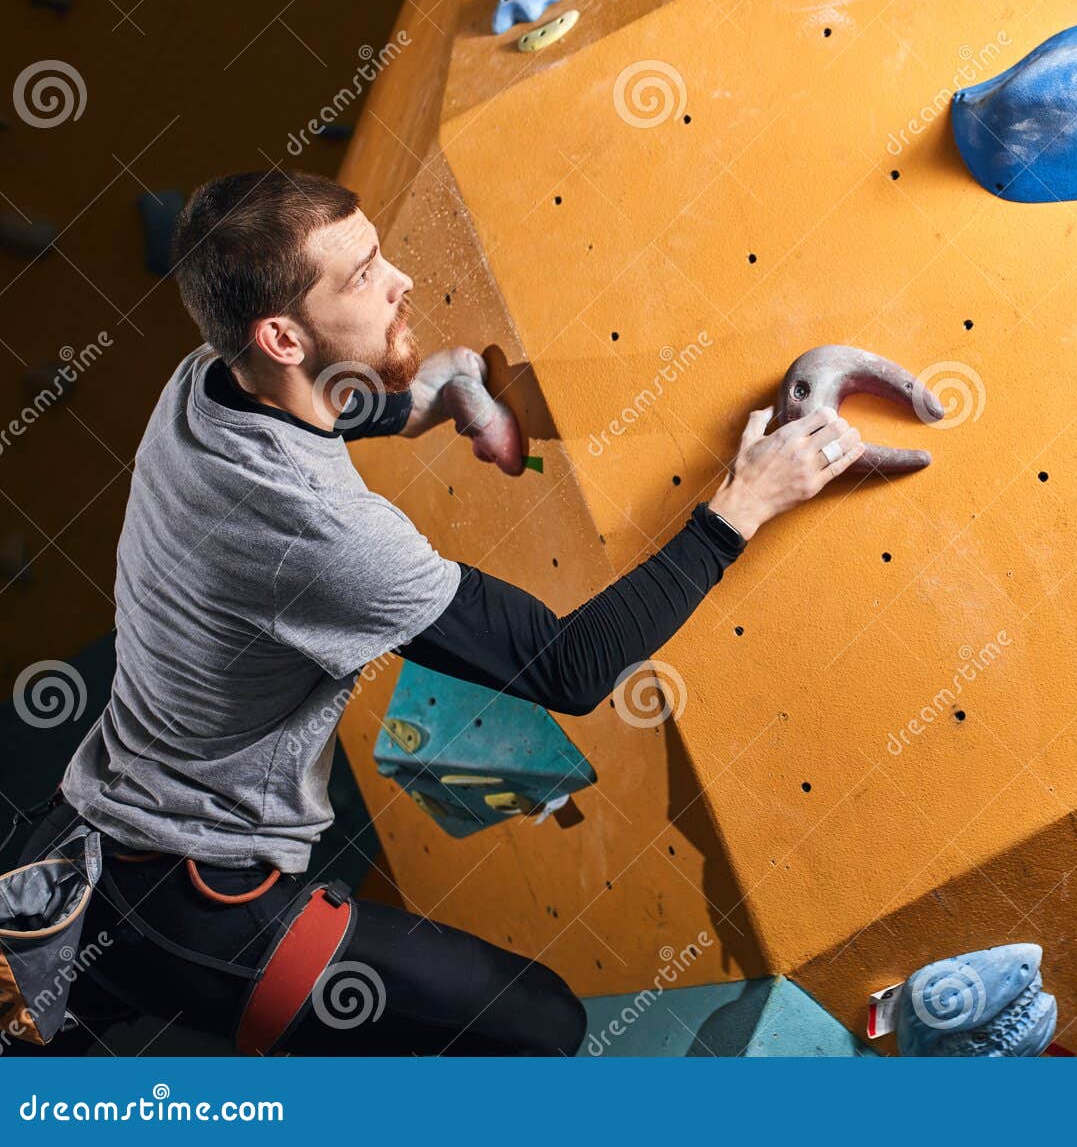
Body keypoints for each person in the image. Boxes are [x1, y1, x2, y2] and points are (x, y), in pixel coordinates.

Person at [17, 169, 864, 1056]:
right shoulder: (326, 534)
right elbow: (565, 667)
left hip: (88, 836)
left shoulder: (203, 384)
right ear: (279, 333)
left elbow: (309, 408)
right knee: (541, 1026)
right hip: (191, 906)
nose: (403, 282)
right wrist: (741, 506)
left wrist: (424, 401)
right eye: (364, 275)